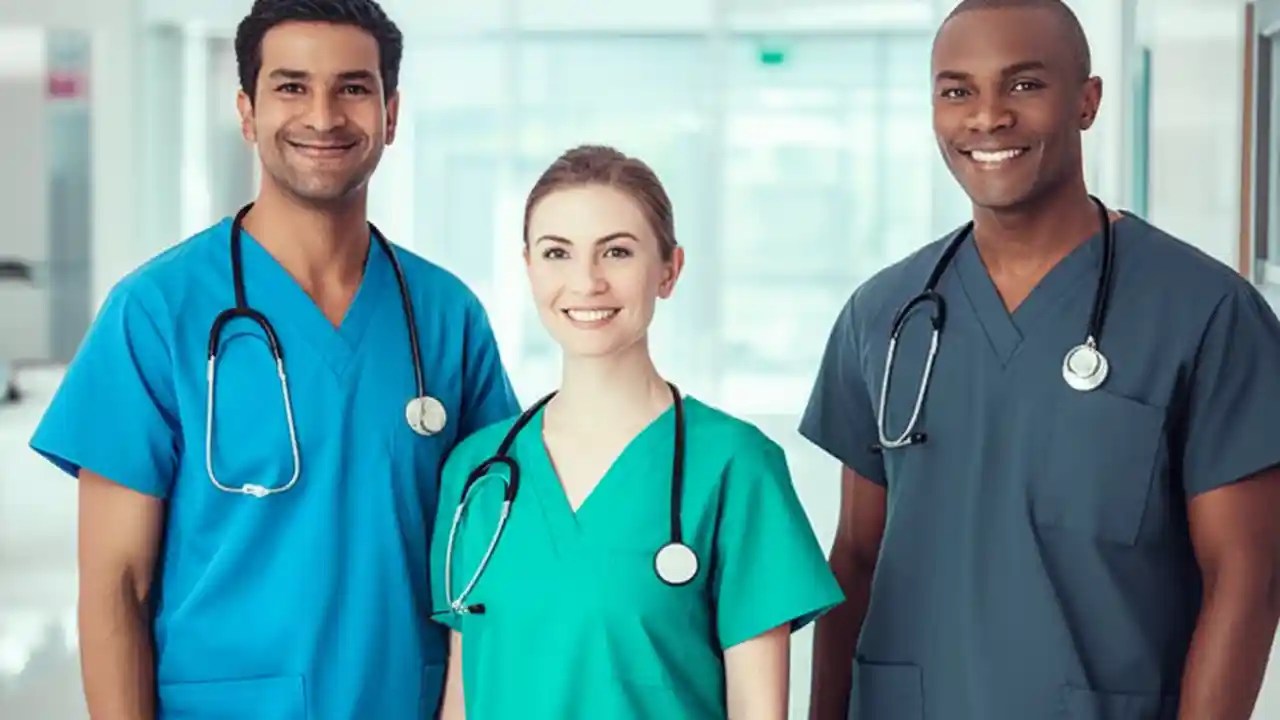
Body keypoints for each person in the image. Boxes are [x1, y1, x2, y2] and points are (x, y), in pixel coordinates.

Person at [28, 1, 519, 717]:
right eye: (291, 86)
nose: (323, 115)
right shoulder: (158, 312)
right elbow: (115, 586)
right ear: (246, 111)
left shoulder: (446, 317)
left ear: (391, 112)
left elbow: (487, 564)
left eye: (353, 87)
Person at [800, 1, 1280, 718]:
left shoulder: (1207, 313)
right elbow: (858, 558)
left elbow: (1247, 576)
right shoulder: (885, 315)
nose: (987, 117)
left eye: (1024, 85)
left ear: (1087, 101)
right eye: (957, 90)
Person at [428, 144, 843, 719]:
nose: (587, 282)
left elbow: (759, 711)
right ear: (528, 268)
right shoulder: (477, 472)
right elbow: (462, 701)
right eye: (557, 253)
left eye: (617, 252)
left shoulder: (734, 466)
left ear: (669, 270)